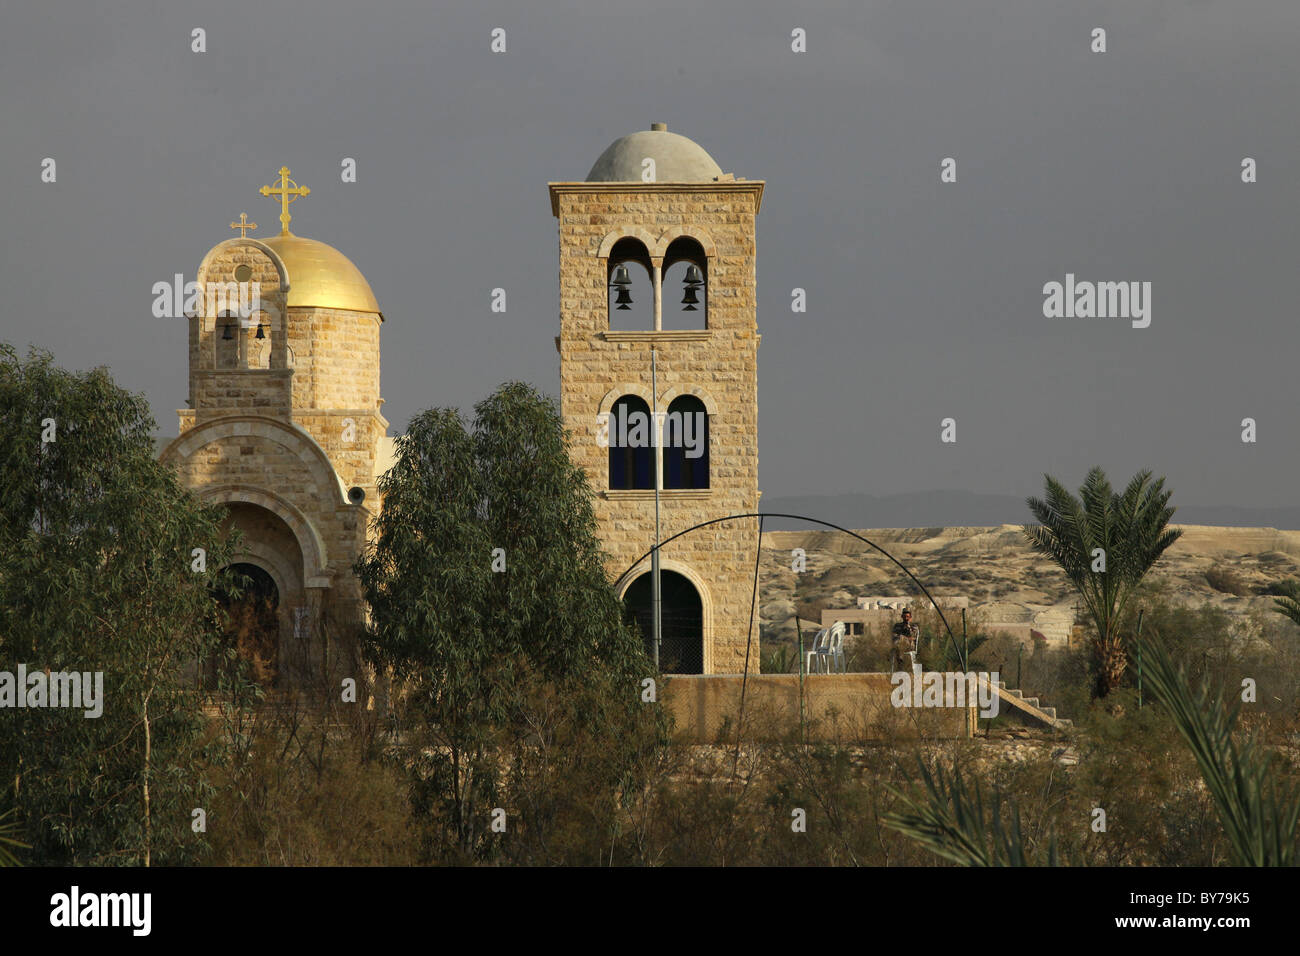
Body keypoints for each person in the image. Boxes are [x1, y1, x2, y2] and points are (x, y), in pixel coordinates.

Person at [891, 608, 920, 673]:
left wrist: (908, 627)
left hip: (910, 645)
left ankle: (900, 663)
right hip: (899, 644)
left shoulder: (914, 626)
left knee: (899, 640)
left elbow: (913, 637)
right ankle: (900, 664)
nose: (906, 618)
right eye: (904, 616)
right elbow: (894, 636)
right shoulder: (897, 626)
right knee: (898, 643)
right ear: (902, 617)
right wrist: (905, 637)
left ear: (910, 617)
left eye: (907, 617)